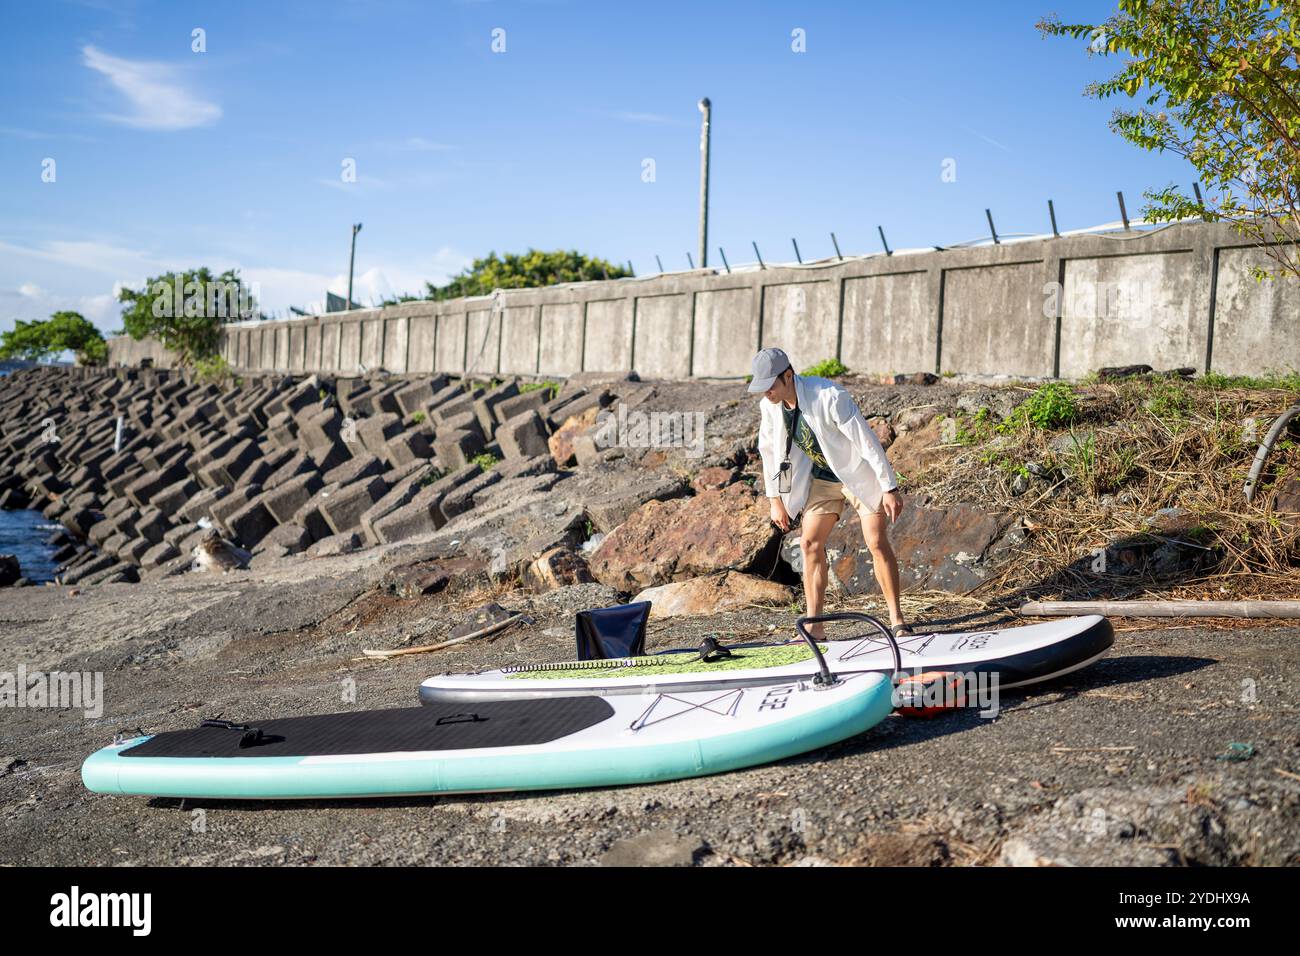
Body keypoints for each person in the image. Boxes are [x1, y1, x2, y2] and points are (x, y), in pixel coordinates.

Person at [749, 347, 912, 638]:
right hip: (822, 477)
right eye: (761, 388)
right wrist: (775, 501)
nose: (766, 393)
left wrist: (889, 486)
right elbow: (769, 452)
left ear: (788, 375)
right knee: (809, 543)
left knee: (875, 541)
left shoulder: (830, 396)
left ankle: (897, 619)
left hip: (857, 474)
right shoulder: (770, 406)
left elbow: (866, 441)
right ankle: (815, 626)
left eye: (770, 386)